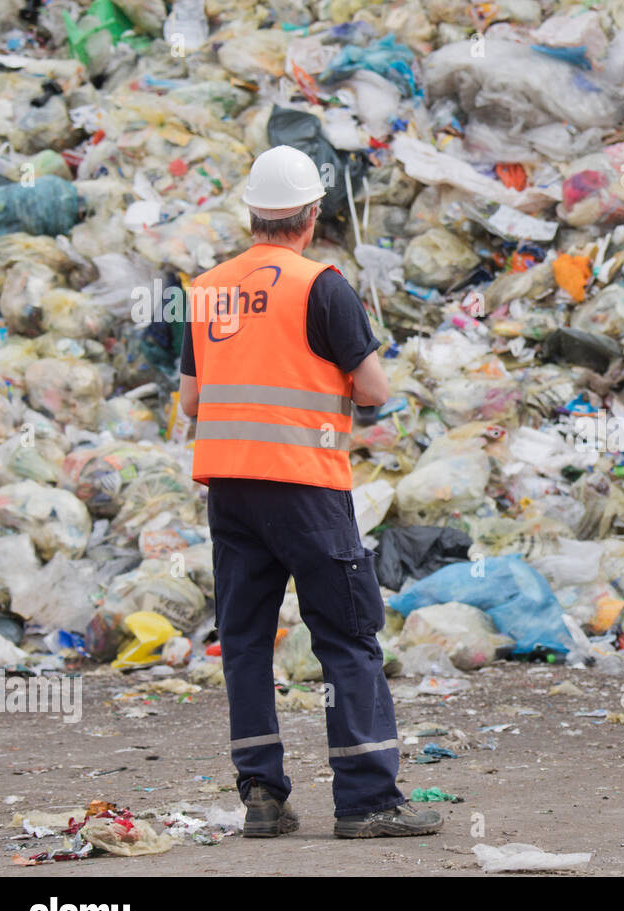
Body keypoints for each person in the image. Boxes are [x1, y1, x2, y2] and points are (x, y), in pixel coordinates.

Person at [179, 145, 442, 839]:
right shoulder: (323, 285)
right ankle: (367, 800)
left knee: (244, 640)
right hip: (304, 485)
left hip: (231, 491)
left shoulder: (208, 289)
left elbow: (190, 401)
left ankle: (262, 795)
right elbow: (374, 388)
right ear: (311, 216)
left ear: (253, 214)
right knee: (347, 637)